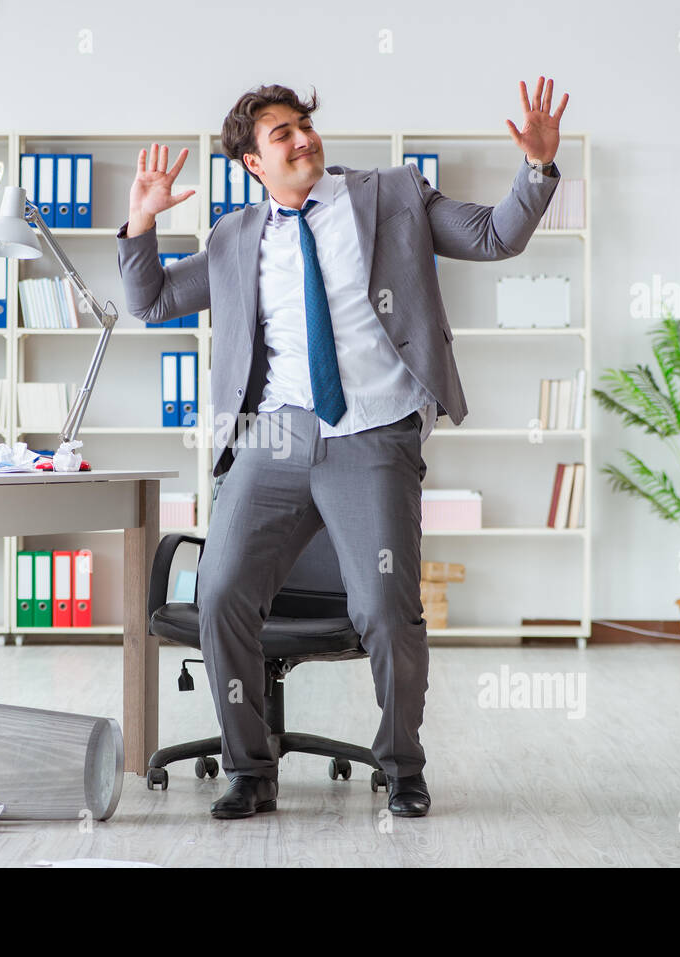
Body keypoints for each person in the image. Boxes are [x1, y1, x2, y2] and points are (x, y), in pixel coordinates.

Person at [116, 79, 568, 819]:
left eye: (304, 126)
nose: (302, 140)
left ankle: (402, 765)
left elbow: (494, 235)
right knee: (222, 591)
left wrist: (537, 170)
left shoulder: (391, 195)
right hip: (273, 436)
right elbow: (152, 301)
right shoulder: (234, 237)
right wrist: (139, 222)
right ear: (252, 164)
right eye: (281, 135)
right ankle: (249, 768)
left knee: (388, 610)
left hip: (374, 431)